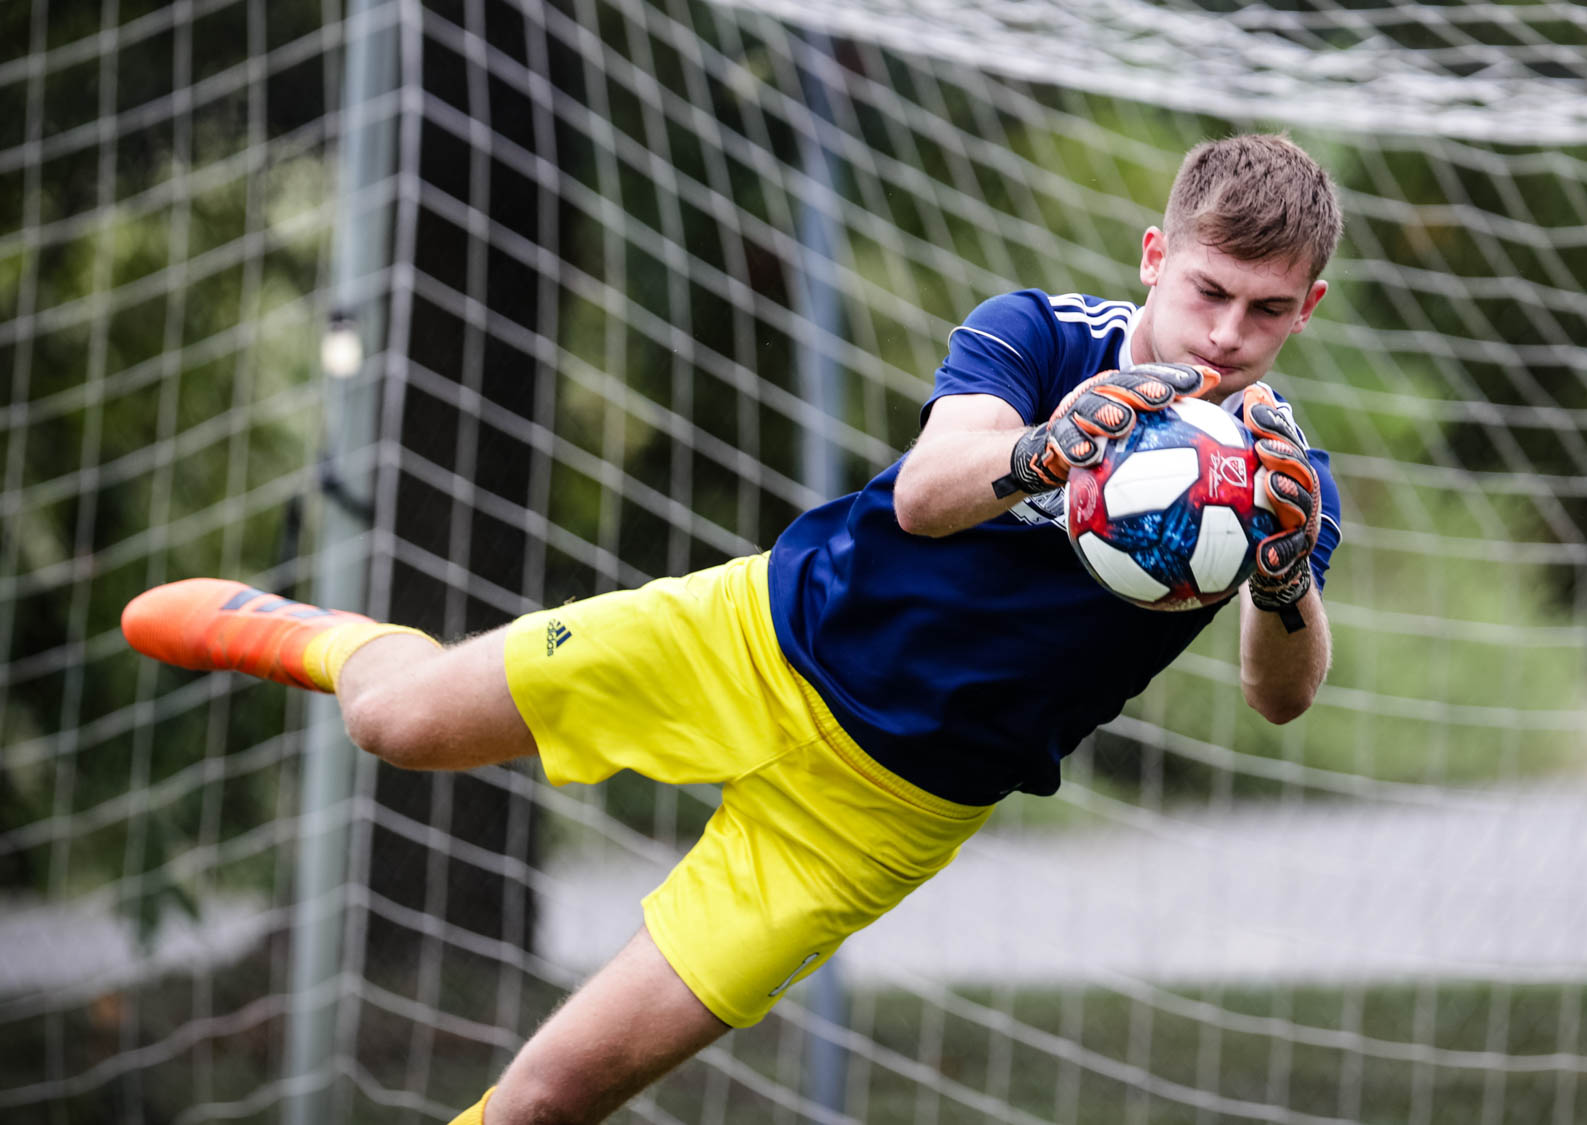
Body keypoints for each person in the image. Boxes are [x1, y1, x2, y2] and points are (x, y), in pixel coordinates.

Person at [121, 132, 1344, 1124]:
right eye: (1208, 291)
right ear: (1152, 255)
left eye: (1266, 309)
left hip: (879, 812)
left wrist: (1284, 584)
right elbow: (925, 495)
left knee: (551, 1096)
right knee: (398, 719)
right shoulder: (1034, 331)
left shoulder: (1279, 473)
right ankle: (318, 633)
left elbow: (1281, 697)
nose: (1228, 334)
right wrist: (1047, 449)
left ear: (1307, 309)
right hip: (756, 637)